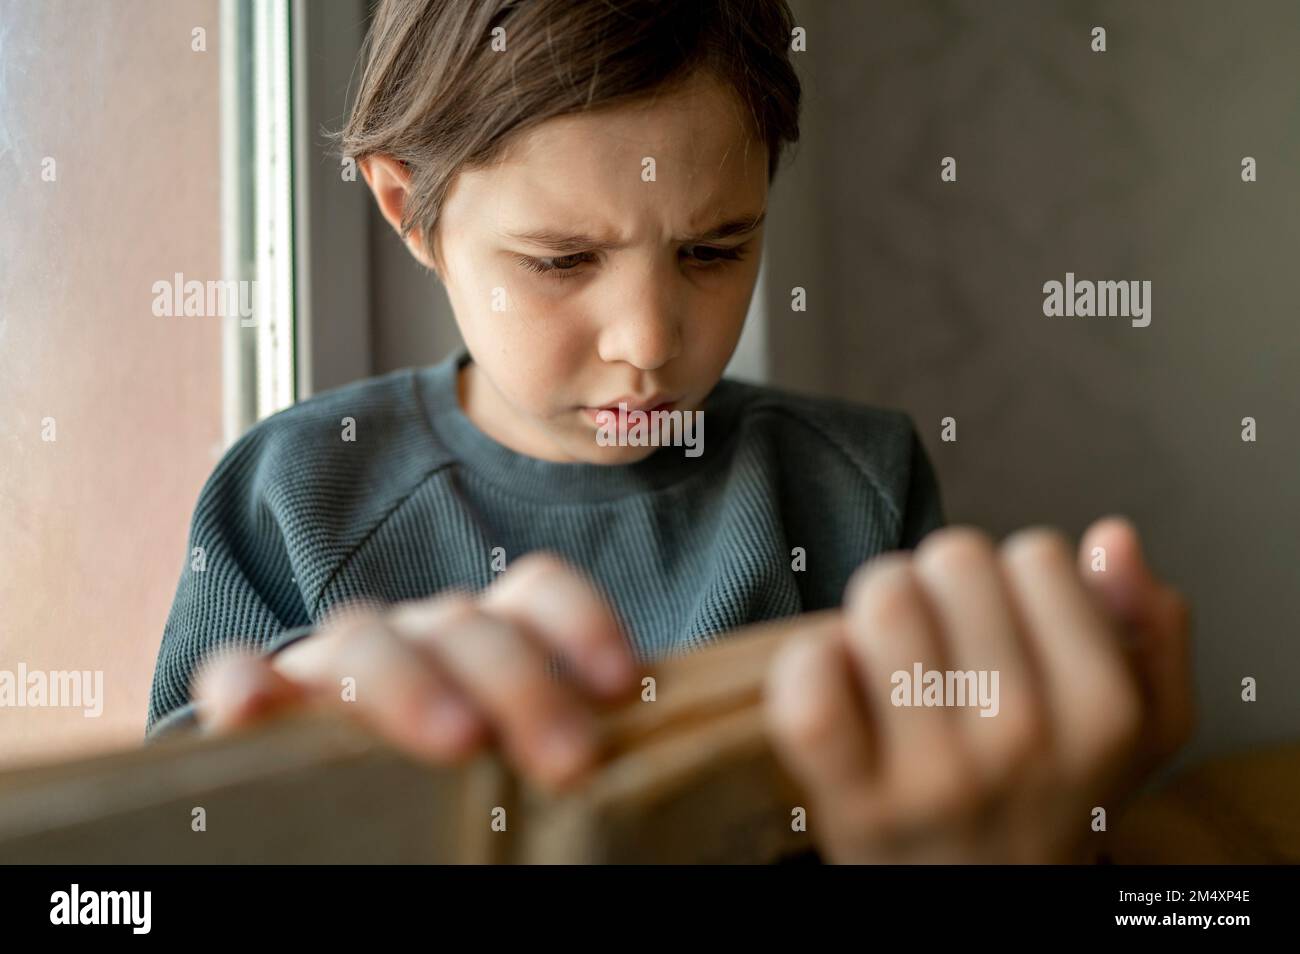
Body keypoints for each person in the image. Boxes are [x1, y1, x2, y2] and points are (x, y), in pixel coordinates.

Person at [147, 0, 1192, 863]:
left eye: (713, 250)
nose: (649, 344)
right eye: (560, 262)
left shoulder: (851, 484)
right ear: (405, 206)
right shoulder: (293, 491)